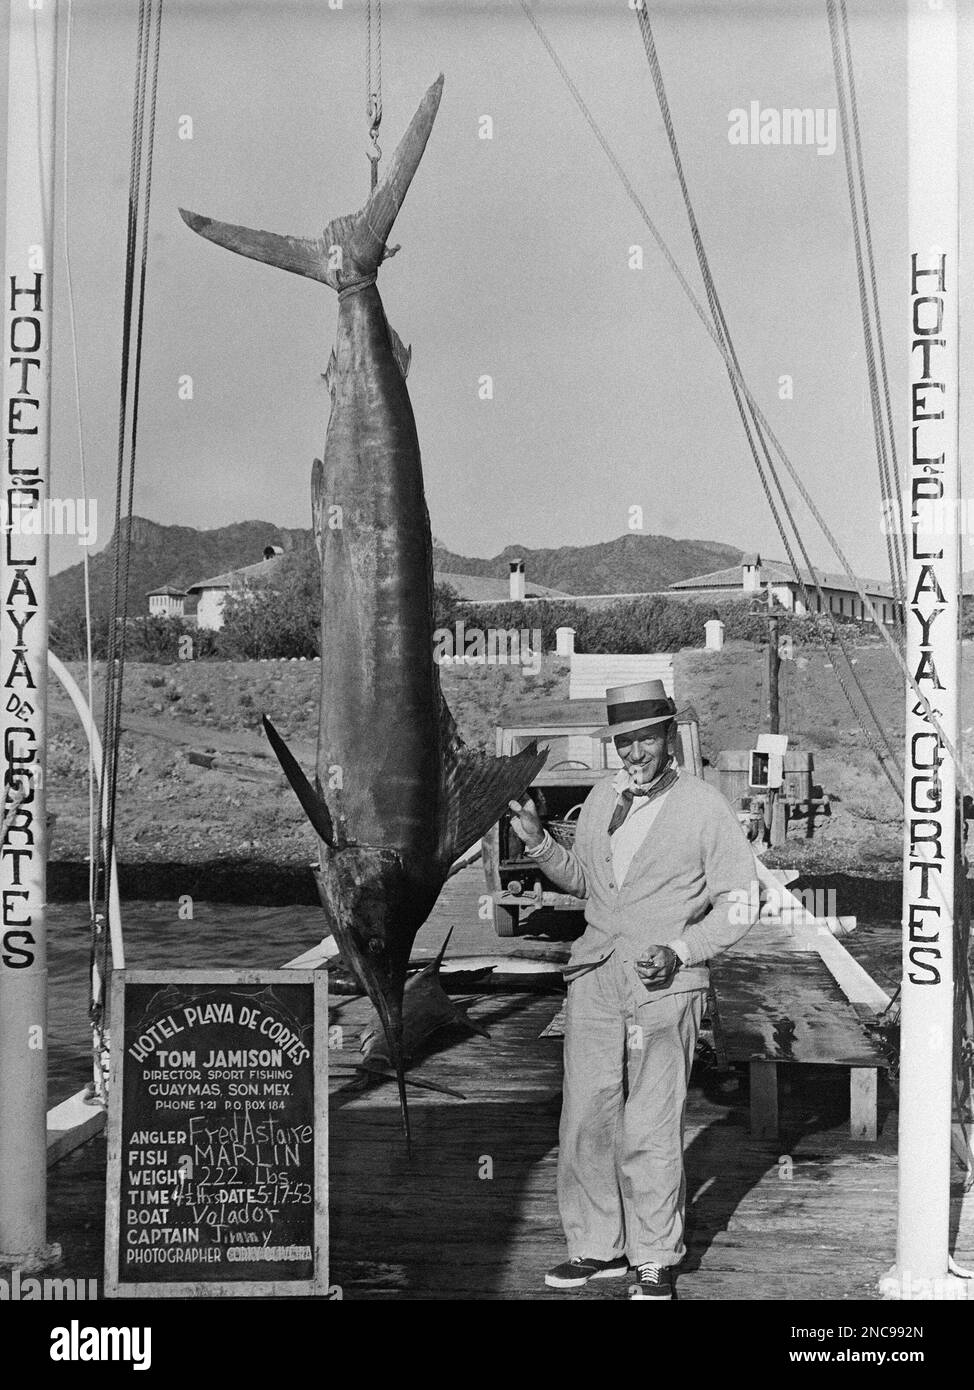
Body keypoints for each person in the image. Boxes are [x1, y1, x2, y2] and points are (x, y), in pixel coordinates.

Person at [508, 679, 758, 1300]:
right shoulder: (600, 798)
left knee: (649, 1123)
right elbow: (586, 884)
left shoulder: (704, 806)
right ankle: (597, 1246)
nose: (634, 752)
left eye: (645, 738)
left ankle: (653, 1255)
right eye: (624, 741)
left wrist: (681, 950)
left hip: (665, 986)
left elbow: (740, 901)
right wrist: (538, 840)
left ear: (669, 736)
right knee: (587, 1118)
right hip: (594, 978)